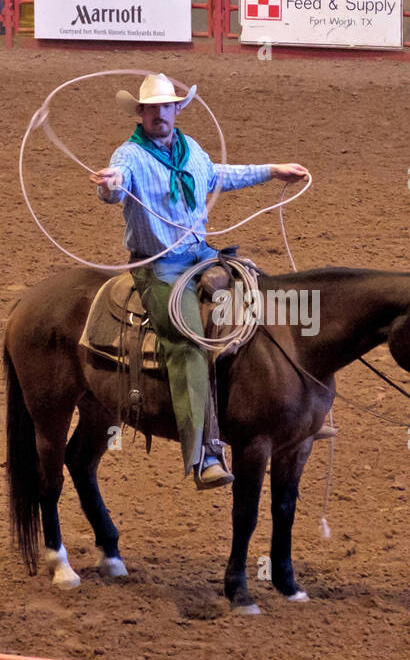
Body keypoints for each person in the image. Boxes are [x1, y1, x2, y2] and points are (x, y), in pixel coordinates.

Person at [90, 73, 308, 489]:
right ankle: (204, 452)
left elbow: (222, 173)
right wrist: (111, 188)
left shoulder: (193, 152)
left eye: (166, 106)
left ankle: (285, 414)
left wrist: (273, 171)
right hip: (158, 266)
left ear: (177, 110)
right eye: (152, 108)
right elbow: (115, 186)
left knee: (258, 296)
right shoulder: (130, 157)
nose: (160, 114)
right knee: (187, 341)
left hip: (200, 255)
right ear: (141, 114)